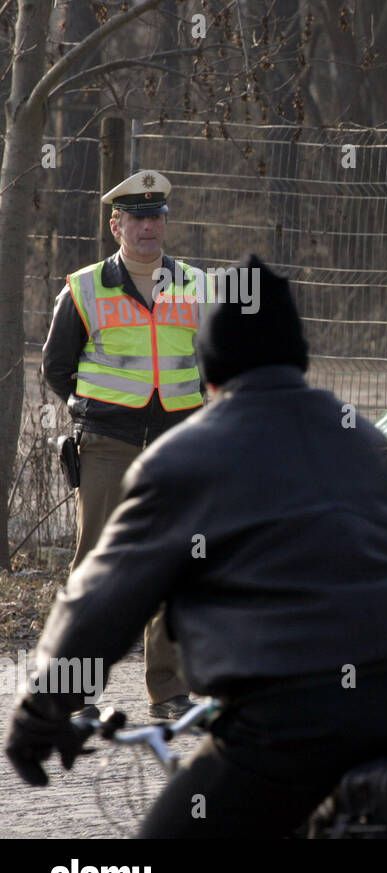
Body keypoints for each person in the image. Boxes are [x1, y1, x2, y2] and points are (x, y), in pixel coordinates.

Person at [6, 256, 387, 838]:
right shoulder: (365, 442)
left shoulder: (186, 458)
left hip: (286, 719)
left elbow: (105, 599)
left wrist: (42, 708)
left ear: (208, 367)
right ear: (299, 356)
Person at [41, 170, 206, 719]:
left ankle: (170, 690)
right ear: (117, 225)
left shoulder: (195, 286)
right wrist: (97, 411)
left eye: (156, 216)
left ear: (166, 223)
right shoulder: (84, 288)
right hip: (108, 445)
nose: (148, 227)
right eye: (137, 218)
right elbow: (57, 369)